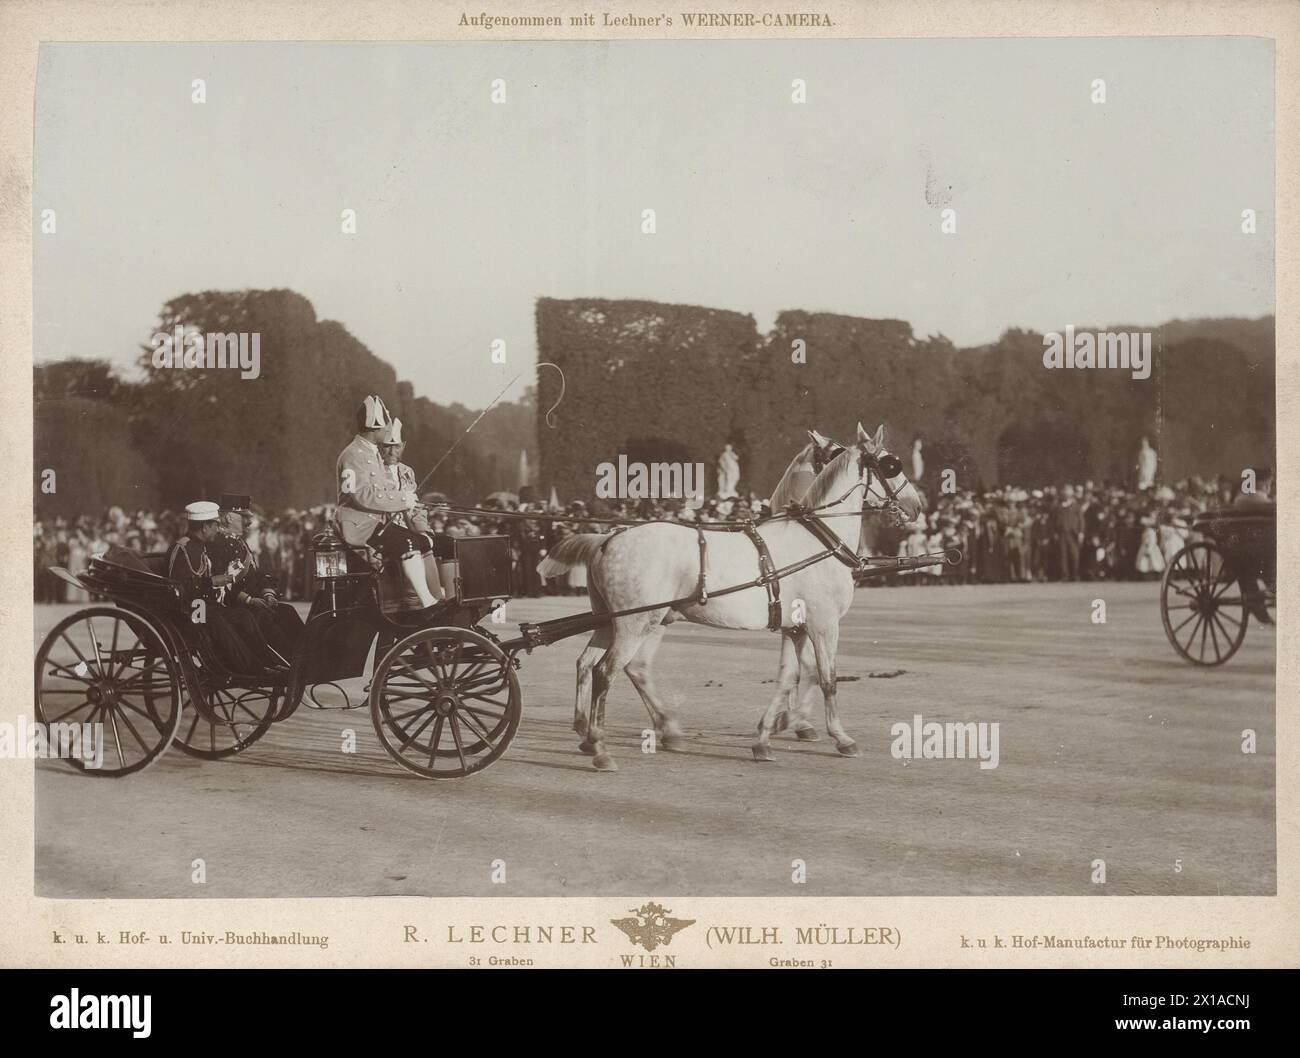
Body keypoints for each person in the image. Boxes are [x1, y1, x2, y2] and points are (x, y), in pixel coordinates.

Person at [335, 397, 439, 609]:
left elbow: (382, 488)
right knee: (408, 543)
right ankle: (426, 601)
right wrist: (403, 499)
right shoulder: (353, 455)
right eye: (385, 425)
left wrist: (409, 498)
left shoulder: (368, 452)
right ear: (375, 427)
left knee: (419, 540)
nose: (387, 429)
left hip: (372, 523)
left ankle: (426, 596)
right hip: (359, 526)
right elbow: (362, 495)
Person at [167, 500, 287, 677]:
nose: (218, 528)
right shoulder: (183, 548)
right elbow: (179, 587)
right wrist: (212, 582)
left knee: (242, 616)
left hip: (204, 603)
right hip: (189, 609)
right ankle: (253, 669)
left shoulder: (202, 546)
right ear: (205, 526)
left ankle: (267, 662)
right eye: (215, 525)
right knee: (216, 619)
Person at [210, 493, 305, 659]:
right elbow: (218, 583)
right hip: (232, 605)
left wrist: (267, 593)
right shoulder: (217, 543)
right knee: (264, 618)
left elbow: (256, 573)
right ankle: (288, 663)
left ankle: (304, 657)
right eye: (244, 517)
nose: (250, 522)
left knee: (286, 611)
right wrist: (248, 599)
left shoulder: (240, 542)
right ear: (229, 518)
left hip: (252, 601)